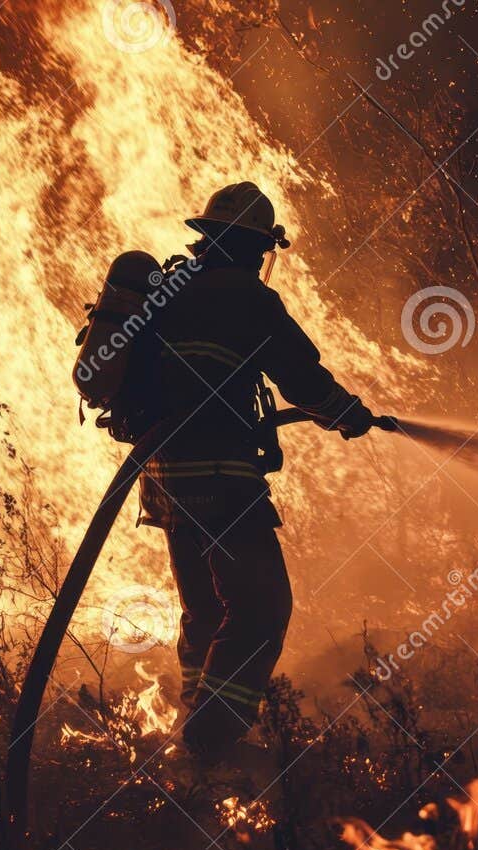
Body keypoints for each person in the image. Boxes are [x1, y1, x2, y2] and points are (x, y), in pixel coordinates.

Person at [140, 181, 376, 760]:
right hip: (220, 482)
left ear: (206, 237)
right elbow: (301, 377)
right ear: (254, 247)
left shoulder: (169, 291)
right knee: (261, 608)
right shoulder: (249, 299)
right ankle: (210, 739)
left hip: (164, 483)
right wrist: (348, 415)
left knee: (205, 611)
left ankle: (189, 735)